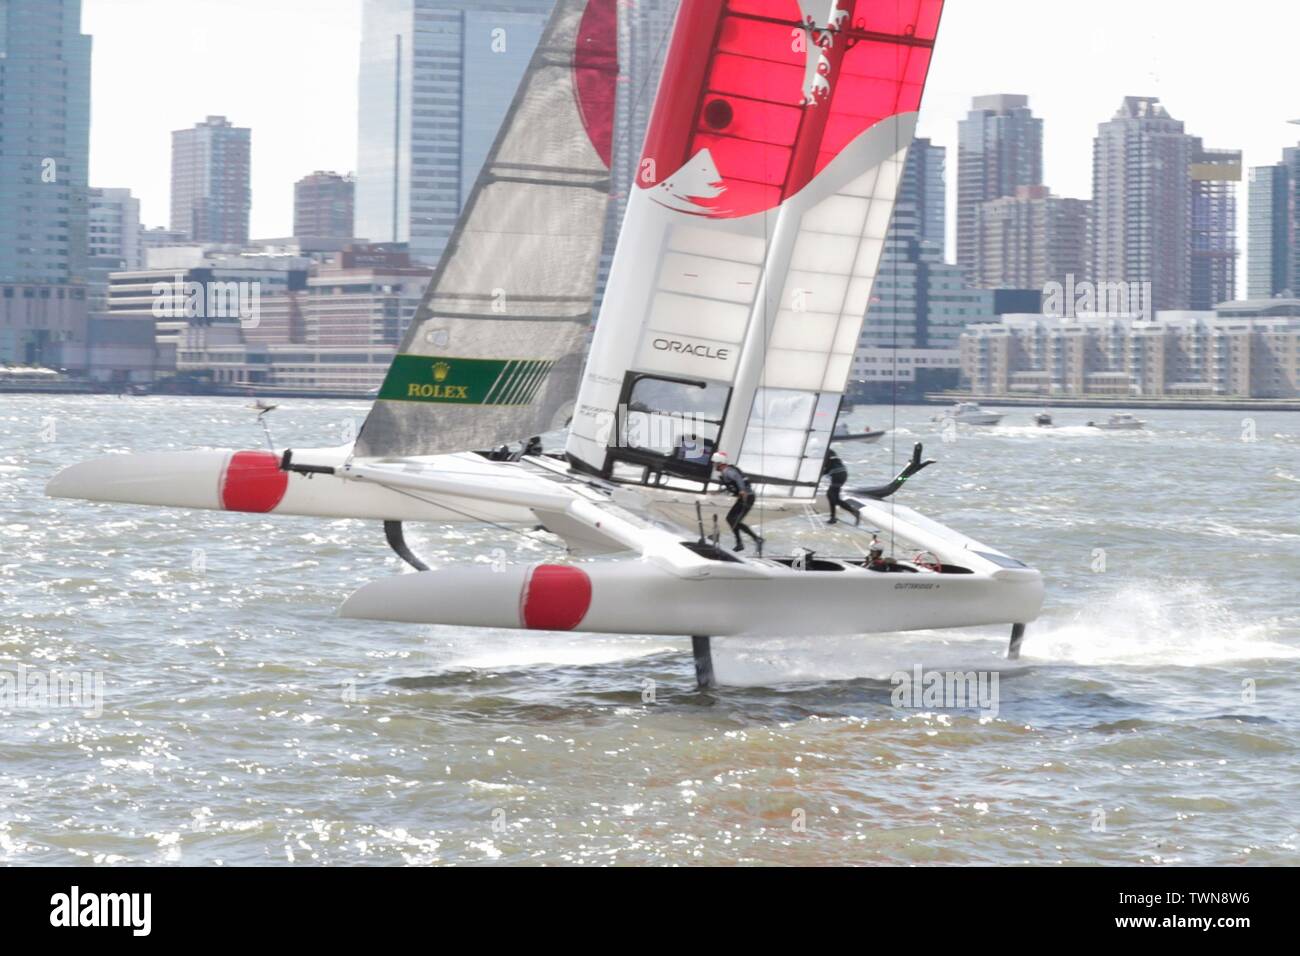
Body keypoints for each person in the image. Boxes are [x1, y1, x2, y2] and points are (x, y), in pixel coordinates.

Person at [711, 452, 762, 552]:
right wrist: (718, 492)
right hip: (744, 498)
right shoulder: (726, 472)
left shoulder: (728, 471)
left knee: (733, 520)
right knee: (731, 519)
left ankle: (755, 540)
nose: (713, 465)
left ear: (719, 462)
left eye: (714, 463)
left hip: (747, 497)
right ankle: (741, 543)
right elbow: (732, 486)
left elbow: (738, 478)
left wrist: (742, 490)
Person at [821, 449, 860, 526]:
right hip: (840, 474)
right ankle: (834, 517)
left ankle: (853, 512)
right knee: (833, 497)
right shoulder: (829, 451)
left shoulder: (827, 451)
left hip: (838, 474)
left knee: (831, 495)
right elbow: (827, 466)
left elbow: (826, 466)